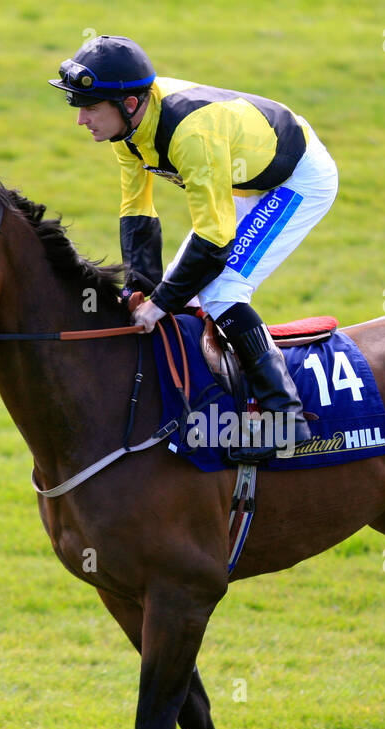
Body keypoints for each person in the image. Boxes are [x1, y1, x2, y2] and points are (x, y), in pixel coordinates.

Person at [49, 35, 339, 461]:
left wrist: (161, 304)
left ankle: (286, 419)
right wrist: (140, 290)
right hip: (241, 173)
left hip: (296, 178)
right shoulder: (129, 129)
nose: (81, 120)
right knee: (179, 283)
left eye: (90, 107)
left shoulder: (189, 134)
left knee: (221, 290)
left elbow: (216, 240)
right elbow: (138, 211)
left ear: (129, 104)